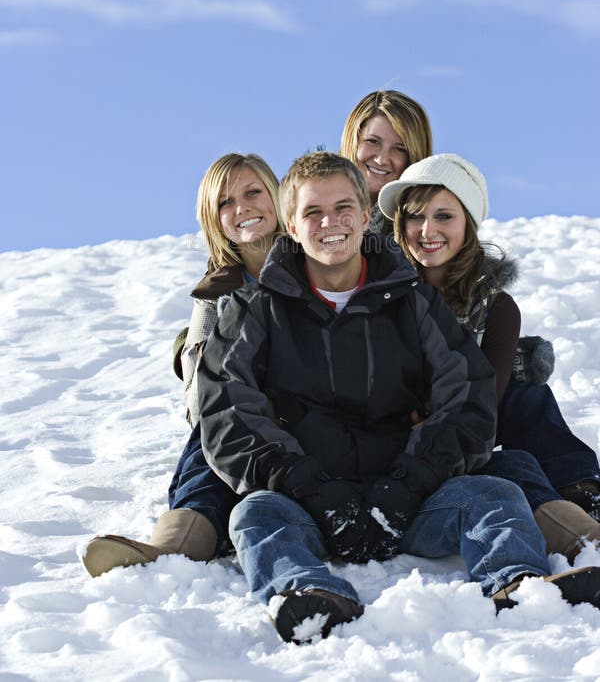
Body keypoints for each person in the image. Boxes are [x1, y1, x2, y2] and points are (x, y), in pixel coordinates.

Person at [197, 151, 600, 645]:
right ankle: (309, 593)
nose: (331, 223)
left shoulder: (411, 299)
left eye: (344, 207)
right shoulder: (255, 310)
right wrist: (310, 487)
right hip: (310, 505)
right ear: (291, 225)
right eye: (313, 212)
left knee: (495, 493)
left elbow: (467, 399)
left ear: (367, 216)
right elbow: (228, 412)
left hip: (410, 499)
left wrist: (409, 483)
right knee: (254, 515)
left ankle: (517, 582)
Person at [378, 153, 600, 561]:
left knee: (514, 457)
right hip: (388, 460)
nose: (427, 230)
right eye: (415, 217)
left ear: (468, 224)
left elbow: (481, 408)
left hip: (459, 447)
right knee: (510, 463)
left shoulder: (495, 307)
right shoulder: (379, 296)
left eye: (444, 216)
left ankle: (587, 537)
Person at [82, 153, 284, 577]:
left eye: (253, 192)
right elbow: (197, 389)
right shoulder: (214, 293)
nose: (242, 207)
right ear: (214, 219)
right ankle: (176, 544)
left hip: (306, 417)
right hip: (241, 424)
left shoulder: (315, 266)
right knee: (209, 439)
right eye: (226, 202)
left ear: (278, 198)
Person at [339, 89, 432, 234]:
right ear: (353, 140)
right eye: (373, 141)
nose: (382, 159)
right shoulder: (307, 203)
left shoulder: (422, 230)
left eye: (399, 149)